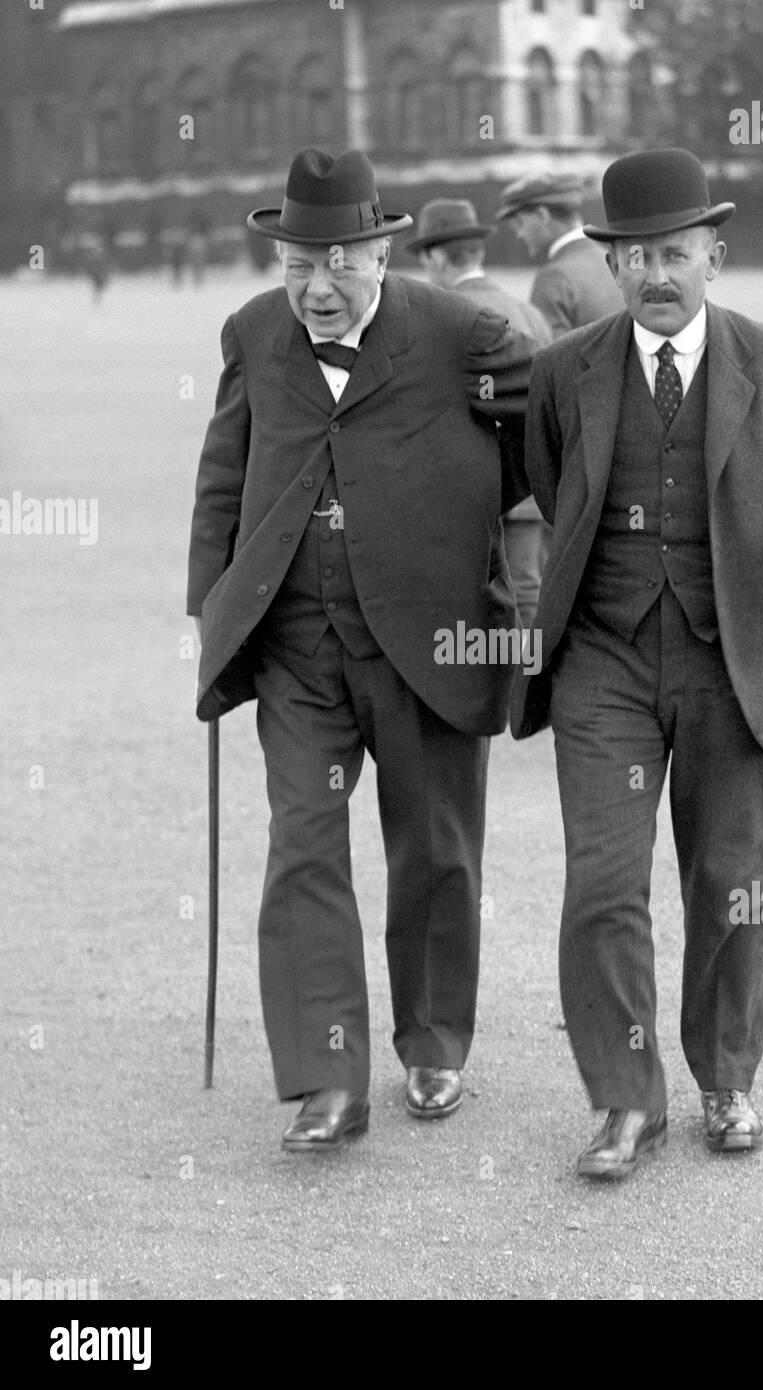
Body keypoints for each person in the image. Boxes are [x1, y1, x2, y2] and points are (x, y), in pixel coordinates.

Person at [187, 148, 533, 1154]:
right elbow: (223, 477)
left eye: (339, 260)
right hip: (297, 642)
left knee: (432, 851)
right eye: (298, 261)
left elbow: (531, 440)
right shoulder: (253, 334)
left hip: (428, 636)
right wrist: (208, 609)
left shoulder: (461, 330)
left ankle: (431, 1043)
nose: (317, 286)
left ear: (382, 252)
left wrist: (475, 543)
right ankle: (325, 1079)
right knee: (302, 845)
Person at [510, 149, 763, 1180]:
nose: (655, 275)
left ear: (714, 255)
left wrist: (747, 588)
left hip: (727, 658)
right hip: (600, 659)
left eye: (675, 253)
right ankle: (625, 1101)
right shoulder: (564, 370)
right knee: (601, 884)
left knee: (731, 882)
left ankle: (725, 1078)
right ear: (608, 265)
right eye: (634, 257)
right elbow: (551, 480)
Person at [407, 197, 552, 628]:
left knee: (466, 613)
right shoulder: (528, 312)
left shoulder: (435, 320)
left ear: (435, 256)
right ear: (478, 252)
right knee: (528, 595)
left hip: (464, 497)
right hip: (528, 491)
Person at [495, 172, 621, 338]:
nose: (520, 234)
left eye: (520, 223)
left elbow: (550, 359)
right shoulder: (614, 260)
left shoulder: (553, 277)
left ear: (542, 215)